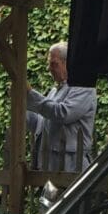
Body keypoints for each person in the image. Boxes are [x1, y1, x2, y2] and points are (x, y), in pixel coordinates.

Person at [25, 42, 96, 171]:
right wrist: (21, 102)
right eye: (49, 64)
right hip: (51, 168)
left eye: (54, 64)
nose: (49, 69)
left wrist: (31, 95)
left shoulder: (83, 89)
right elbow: (39, 125)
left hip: (71, 168)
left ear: (67, 64)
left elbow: (63, 113)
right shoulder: (54, 92)